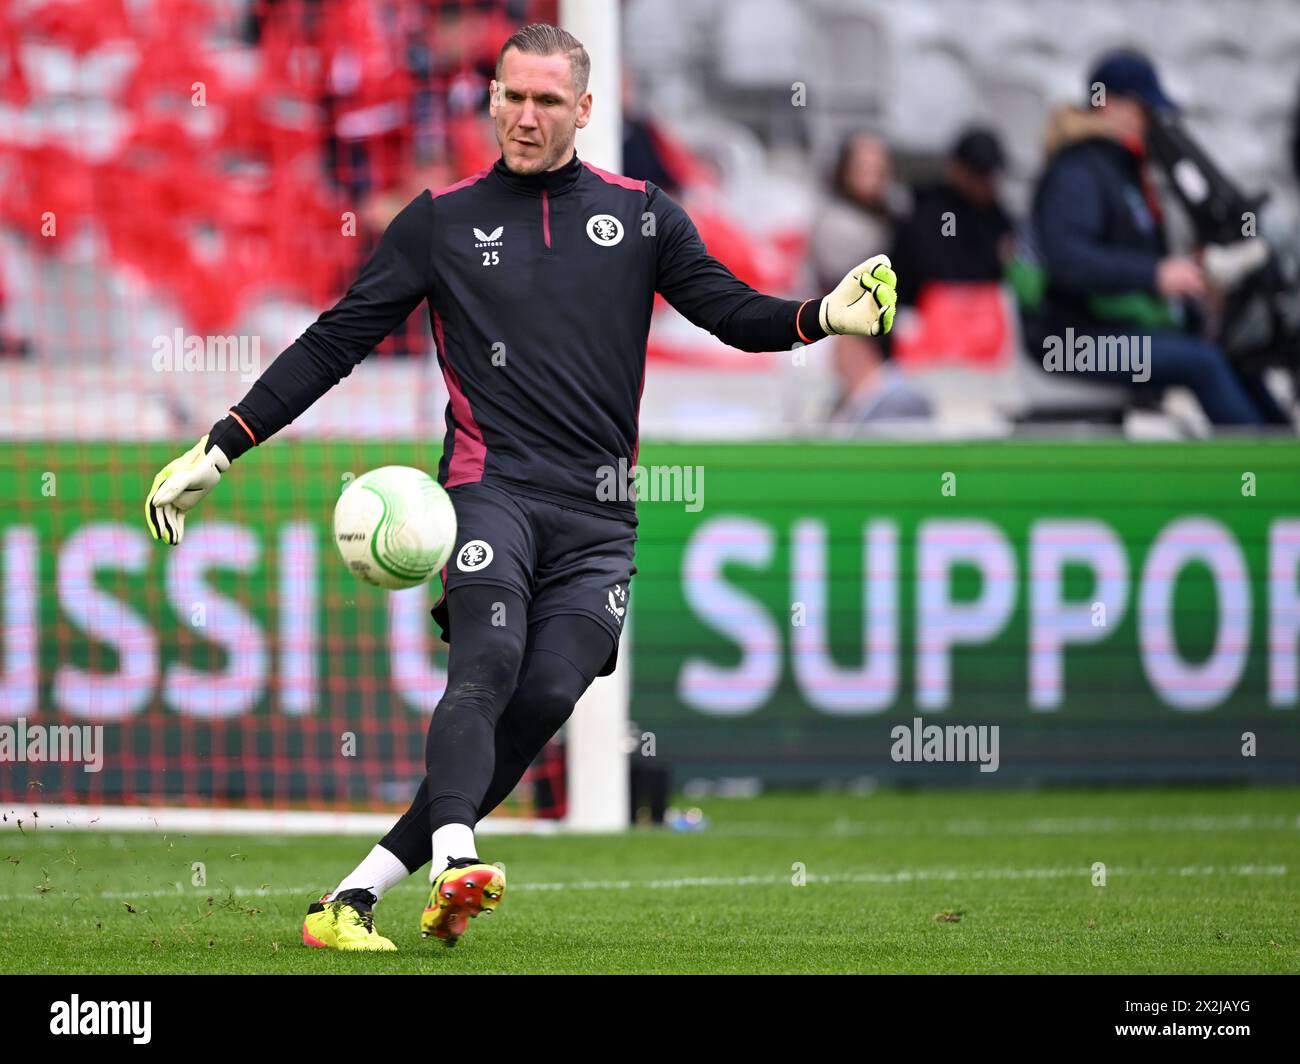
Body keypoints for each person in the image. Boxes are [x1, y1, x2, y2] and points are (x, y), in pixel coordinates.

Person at [144, 23, 899, 951]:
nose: (526, 116)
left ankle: (352, 898)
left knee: (543, 696)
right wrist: (221, 446)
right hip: (487, 490)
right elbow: (335, 340)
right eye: (512, 96)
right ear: (491, 99)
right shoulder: (442, 221)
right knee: (488, 669)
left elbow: (731, 313)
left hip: (598, 518)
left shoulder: (644, 216)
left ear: (585, 109)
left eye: (548, 100)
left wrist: (821, 315)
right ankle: (458, 861)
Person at [1029, 50, 1290, 426]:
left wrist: (1191, 281)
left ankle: (1282, 457)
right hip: (1067, 344)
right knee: (1201, 362)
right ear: (1111, 104)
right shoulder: (1078, 170)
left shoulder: (1122, 170)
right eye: (1142, 109)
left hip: (1110, 333)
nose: (1150, 122)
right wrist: (1155, 274)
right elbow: (1069, 261)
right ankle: (1257, 475)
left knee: (1235, 351)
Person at [810, 133, 930, 423]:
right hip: (855, 338)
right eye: (862, 170)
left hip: (890, 344)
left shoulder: (895, 218)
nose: (872, 179)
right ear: (844, 172)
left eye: (879, 171)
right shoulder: (836, 223)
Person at [890, 127, 1014, 307]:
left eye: (989, 175)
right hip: (927, 314)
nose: (984, 183)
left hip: (979, 315)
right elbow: (944, 271)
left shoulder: (994, 214)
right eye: (977, 174)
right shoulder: (935, 212)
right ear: (956, 169)